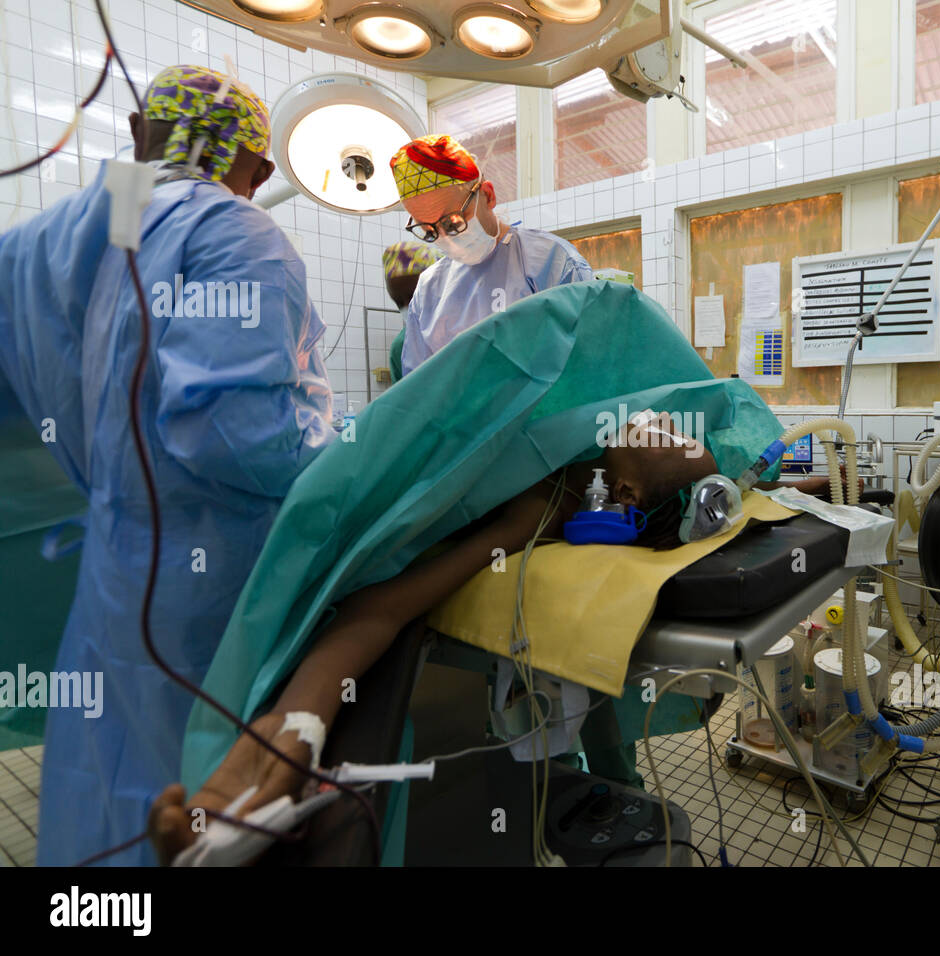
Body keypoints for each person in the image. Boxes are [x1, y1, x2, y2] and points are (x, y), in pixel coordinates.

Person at [0, 65, 335, 865]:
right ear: (243, 158)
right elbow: (234, 433)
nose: (255, 190)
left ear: (138, 129)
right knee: (204, 783)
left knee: (107, 769)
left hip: (112, 566)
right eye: (258, 174)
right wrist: (342, 456)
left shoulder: (50, 239)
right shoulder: (235, 232)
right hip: (213, 578)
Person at [148, 412, 719, 864]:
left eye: (667, 433)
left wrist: (297, 723)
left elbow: (387, 608)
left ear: (623, 492)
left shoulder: (535, 513)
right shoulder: (573, 452)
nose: (660, 416)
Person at [390, 135, 593, 374]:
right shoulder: (429, 290)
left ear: (488, 195)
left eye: (453, 222)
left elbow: (590, 361)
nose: (445, 236)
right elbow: (420, 388)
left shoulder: (552, 261)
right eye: (429, 230)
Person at [380, 241, 441, 384]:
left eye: (413, 297)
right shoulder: (402, 347)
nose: (408, 307)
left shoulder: (468, 327)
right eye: (399, 301)